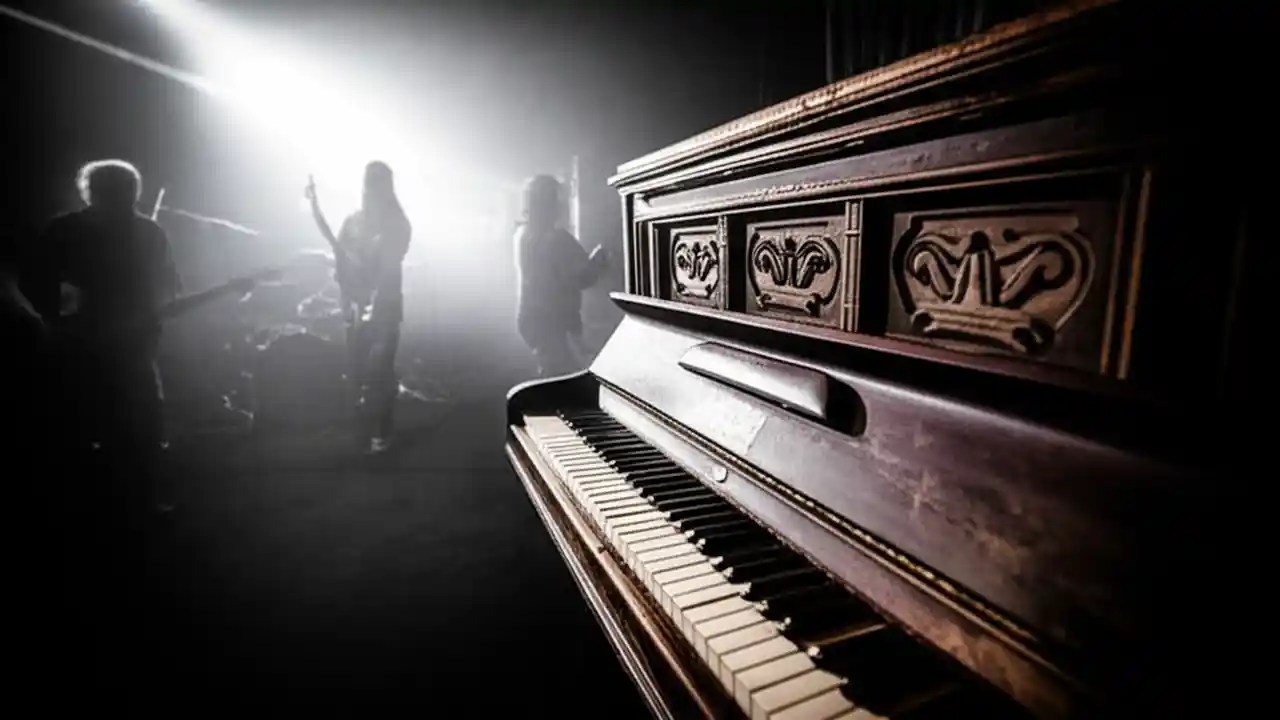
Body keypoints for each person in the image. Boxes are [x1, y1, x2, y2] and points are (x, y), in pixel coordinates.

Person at [305, 161, 410, 454]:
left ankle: (382, 433)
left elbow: (388, 264)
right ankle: (361, 433)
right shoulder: (353, 221)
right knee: (357, 372)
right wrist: (349, 297)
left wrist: (372, 294)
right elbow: (340, 258)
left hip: (385, 309)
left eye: (377, 184)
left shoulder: (398, 225)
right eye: (369, 183)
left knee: (381, 372)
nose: (371, 190)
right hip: (355, 308)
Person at [514, 174, 608, 378]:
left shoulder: (522, 234)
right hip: (555, 322)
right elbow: (583, 278)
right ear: (552, 204)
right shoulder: (557, 239)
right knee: (565, 375)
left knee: (550, 368)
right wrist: (600, 256)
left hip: (529, 318)